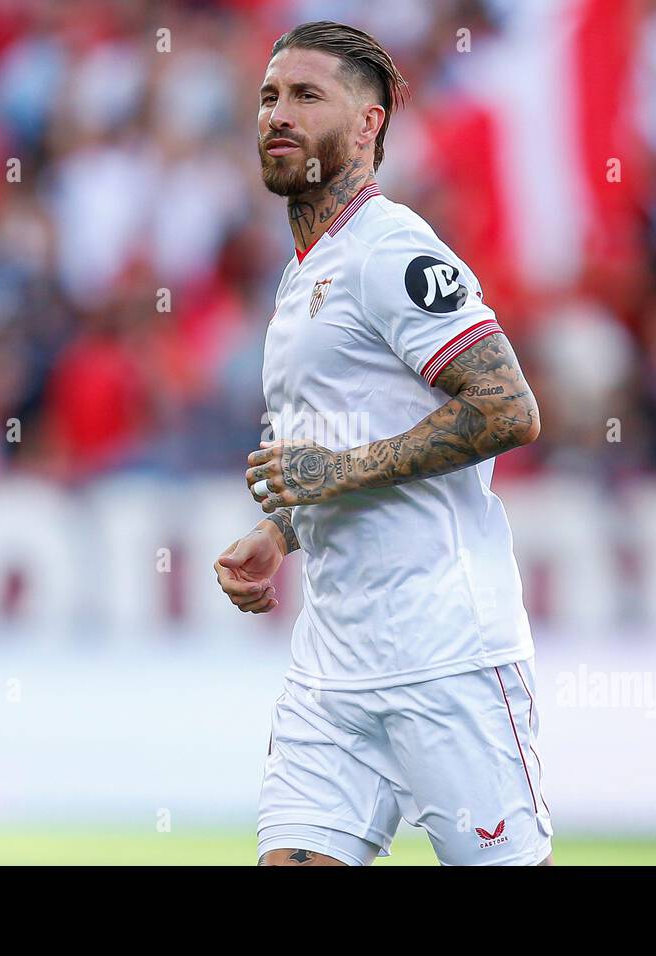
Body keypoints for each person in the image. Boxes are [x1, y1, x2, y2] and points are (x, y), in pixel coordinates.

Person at [214, 20, 551, 866]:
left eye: (305, 96)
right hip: (332, 662)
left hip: (446, 653)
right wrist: (282, 530)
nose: (277, 115)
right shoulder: (303, 273)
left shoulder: (392, 249)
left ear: (369, 125)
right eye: (268, 97)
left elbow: (508, 407)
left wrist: (338, 471)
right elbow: (341, 441)